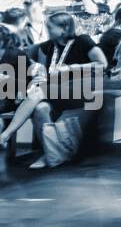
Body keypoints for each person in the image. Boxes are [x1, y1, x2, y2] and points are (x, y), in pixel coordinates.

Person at [1, 11, 107, 168]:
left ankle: (5, 135)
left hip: (79, 89)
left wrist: (71, 68)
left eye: (50, 27)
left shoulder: (83, 41)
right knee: (40, 108)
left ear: (64, 28)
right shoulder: (50, 45)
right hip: (54, 91)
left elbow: (102, 64)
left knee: (38, 92)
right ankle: (52, 154)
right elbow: (31, 58)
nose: (47, 29)